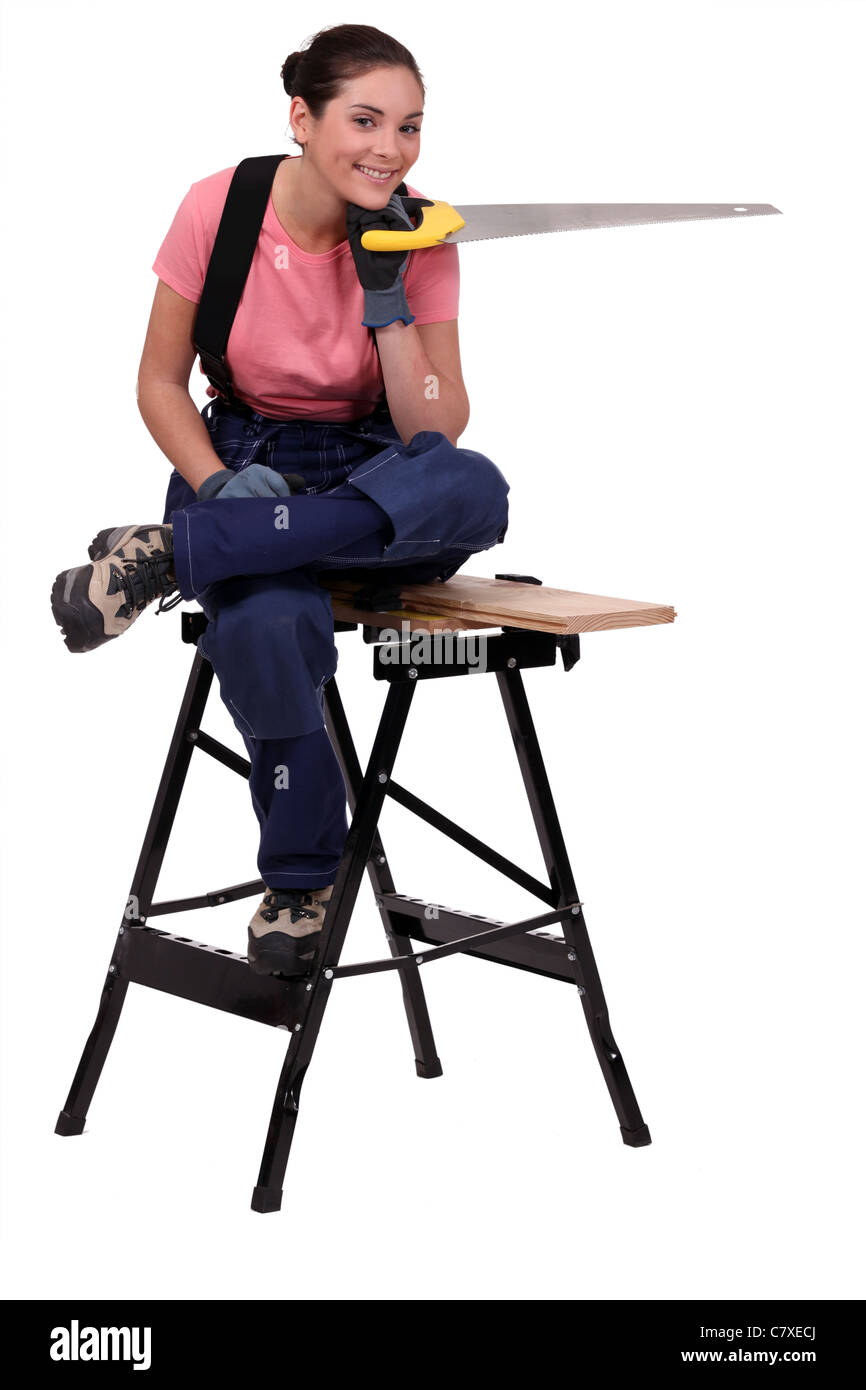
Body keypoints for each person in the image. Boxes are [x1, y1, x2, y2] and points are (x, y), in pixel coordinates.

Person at [50, 23, 510, 979]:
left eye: (412, 127)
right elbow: (160, 383)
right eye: (367, 120)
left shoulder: (417, 231)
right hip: (241, 457)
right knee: (264, 622)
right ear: (302, 117)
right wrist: (218, 486)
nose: (392, 149)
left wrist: (387, 295)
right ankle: (303, 883)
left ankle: (176, 558)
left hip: (377, 474)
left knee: (475, 489)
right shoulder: (217, 209)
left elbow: (437, 432)